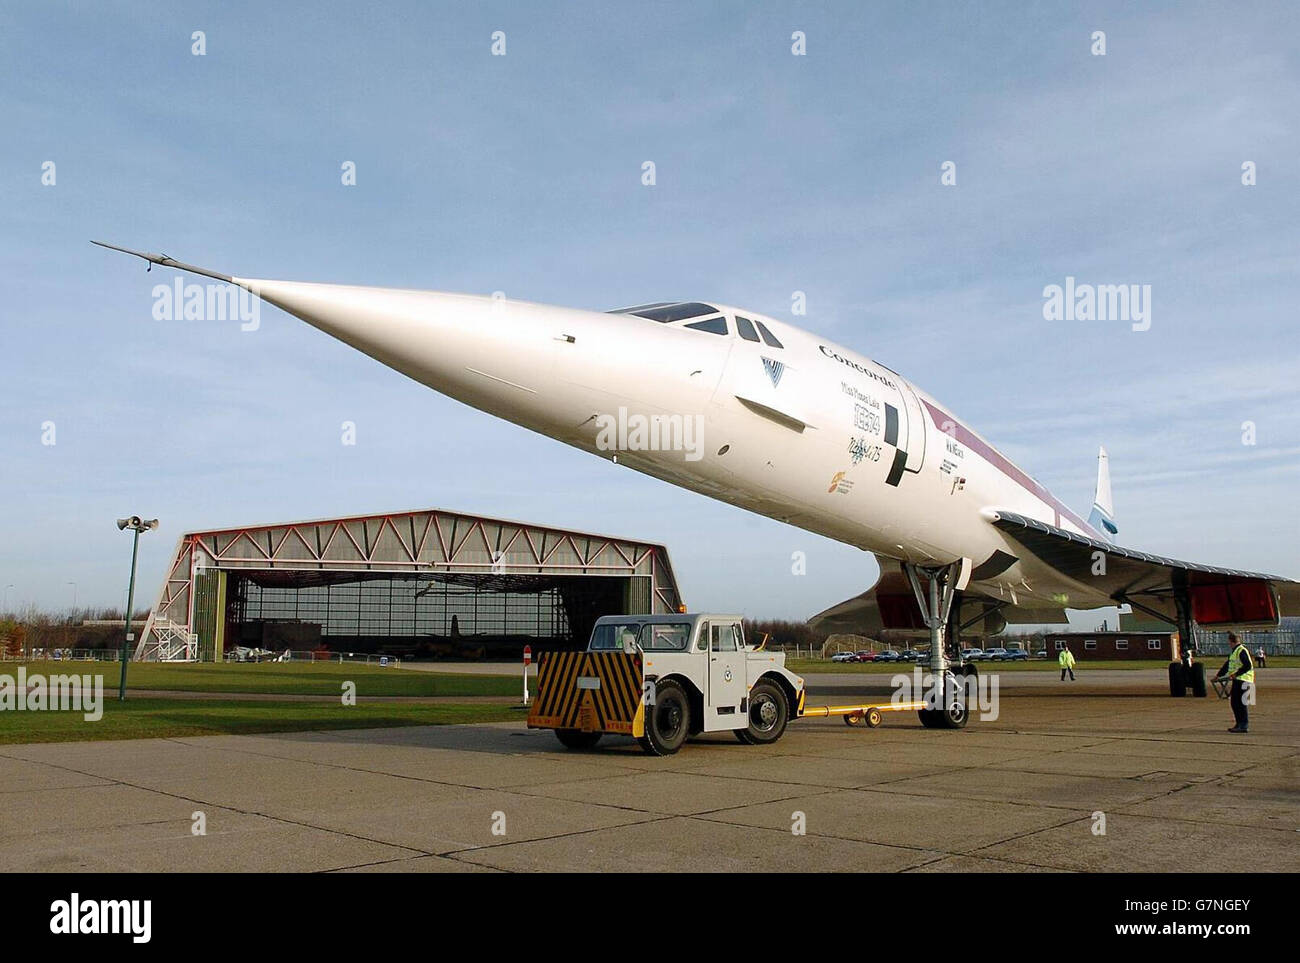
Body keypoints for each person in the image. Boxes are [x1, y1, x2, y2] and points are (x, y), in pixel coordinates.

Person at [1216, 632, 1254, 734]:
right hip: (1238, 680)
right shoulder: (1235, 651)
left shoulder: (1241, 650)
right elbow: (1228, 664)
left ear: (1230, 641)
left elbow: (1248, 665)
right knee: (1235, 703)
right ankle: (1239, 724)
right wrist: (1219, 675)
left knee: (1241, 703)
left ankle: (1243, 725)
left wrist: (1236, 674)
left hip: (1244, 680)